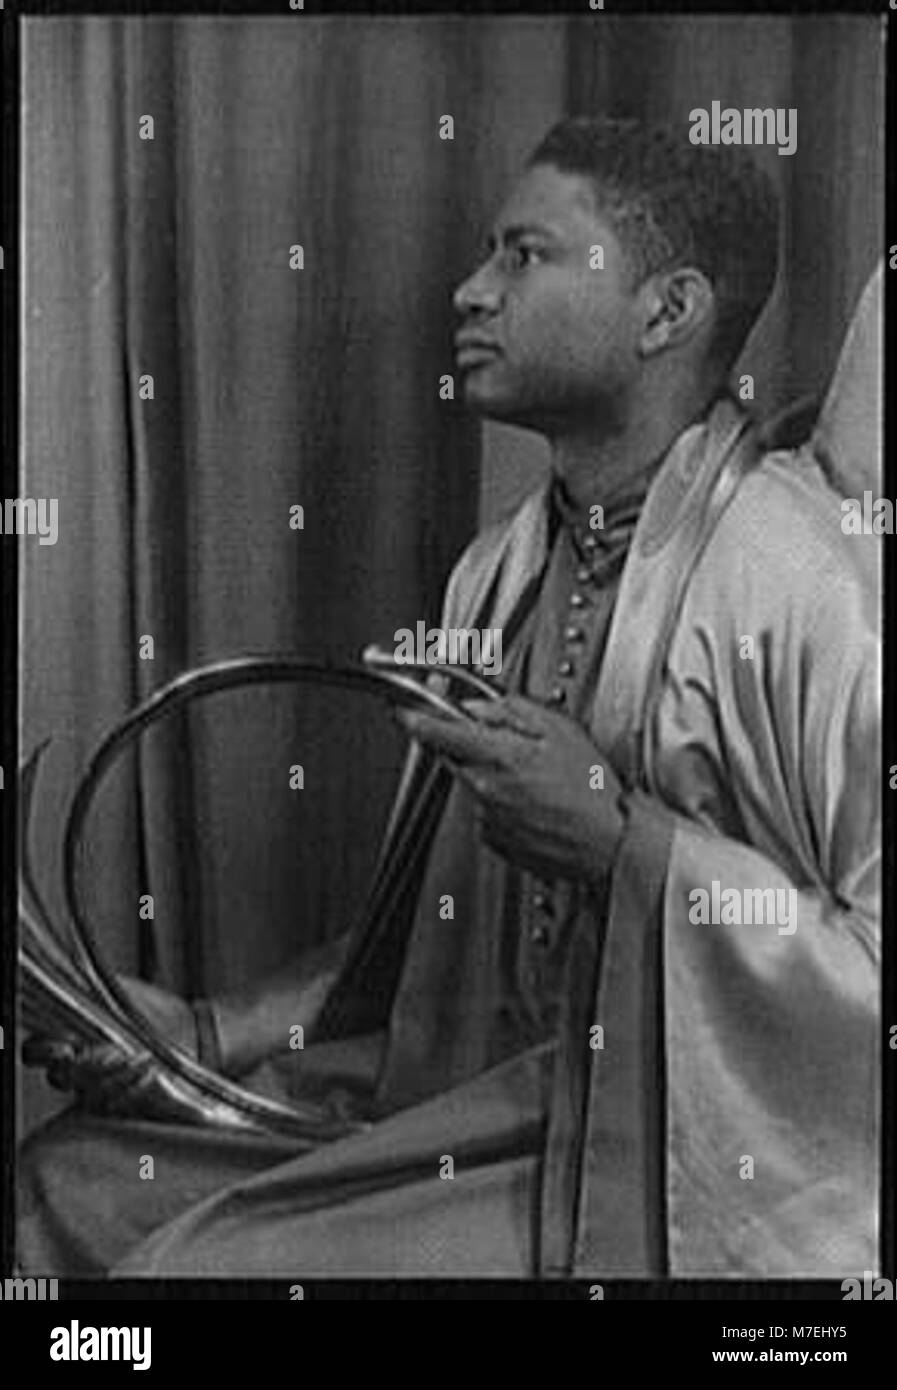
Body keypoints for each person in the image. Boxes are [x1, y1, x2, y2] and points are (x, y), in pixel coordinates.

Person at [18, 117, 879, 1278]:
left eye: (525, 255)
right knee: (62, 1188)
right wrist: (207, 1033)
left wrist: (623, 847)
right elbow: (424, 949)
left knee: (194, 1273)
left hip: (680, 1160)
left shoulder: (801, 576)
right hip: (468, 1097)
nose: (471, 292)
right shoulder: (497, 570)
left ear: (666, 313)